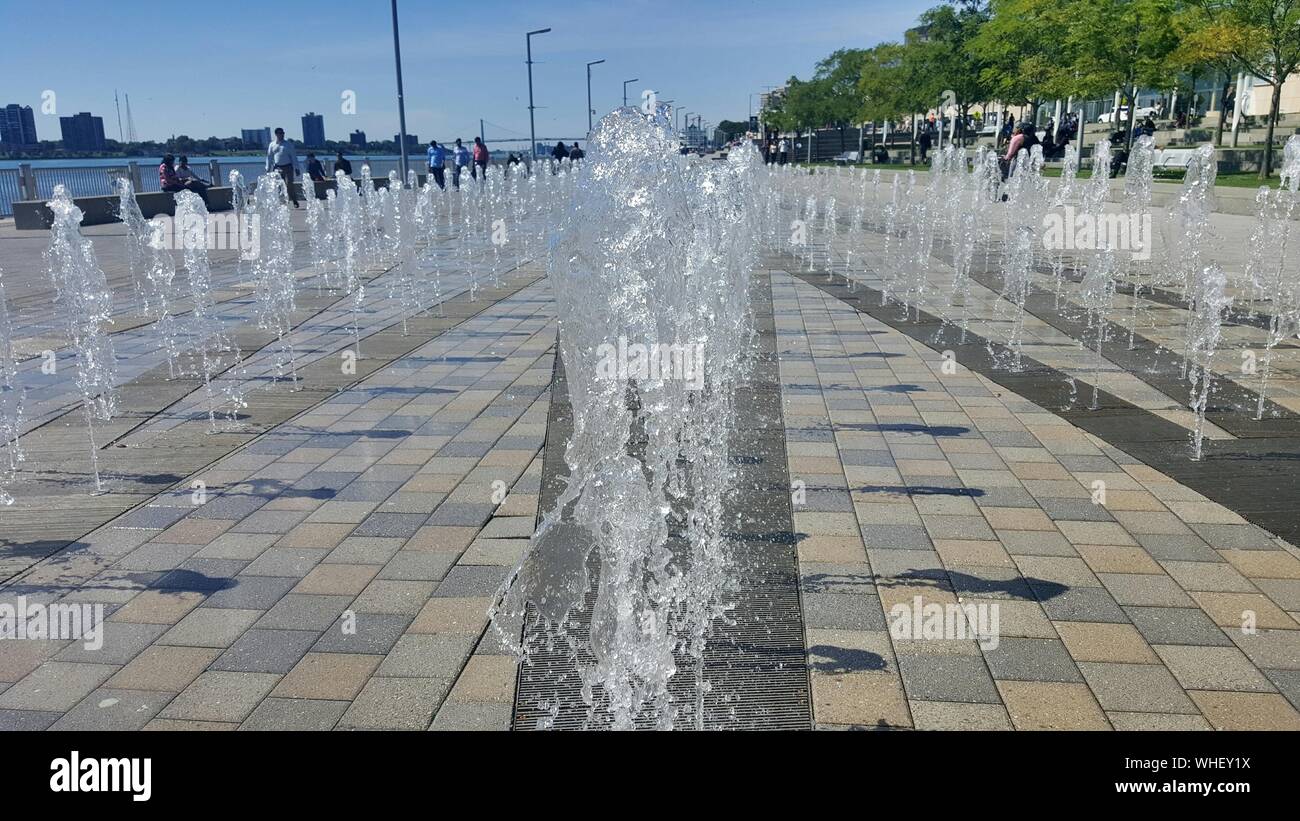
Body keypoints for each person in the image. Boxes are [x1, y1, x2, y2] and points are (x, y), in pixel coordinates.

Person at [265, 127, 299, 207]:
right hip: (277, 167)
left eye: (283, 133)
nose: (282, 135)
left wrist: (296, 168)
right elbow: (269, 157)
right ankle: (283, 202)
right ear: (276, 134)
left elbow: (293, 156)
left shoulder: (288, 144)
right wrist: (268, 168)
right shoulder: (272, 145)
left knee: (289, 184)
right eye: (280, 133)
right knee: (279, 185)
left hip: (288, 167)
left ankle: (294, 200)